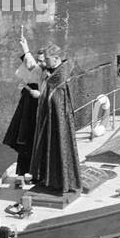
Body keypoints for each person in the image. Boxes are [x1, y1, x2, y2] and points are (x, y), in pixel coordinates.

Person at [27, 43, 82, 195]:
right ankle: (49, 179)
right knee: (50, 146)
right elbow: (38, 70)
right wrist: (25, 48)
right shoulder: (54, 70)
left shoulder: (61, 74)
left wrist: (40, 95)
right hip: (52, 118)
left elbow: (56, 97)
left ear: (56, 58)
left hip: (59, 120)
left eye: (46, 59)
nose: (43, 63)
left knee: (60, 147)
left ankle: (62, 181)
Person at [2, 28, 44, 176]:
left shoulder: (45, 73)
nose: (39, 64)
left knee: (36, 142)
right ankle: (26, 171)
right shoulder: (37, 73)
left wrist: (25, 49)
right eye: (38, 61)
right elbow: (31, 65)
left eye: (42, 61)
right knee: (26, 140)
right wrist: (25, 48)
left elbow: (33, 66)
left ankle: (37, 172)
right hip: (30, 112)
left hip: (40, 113)